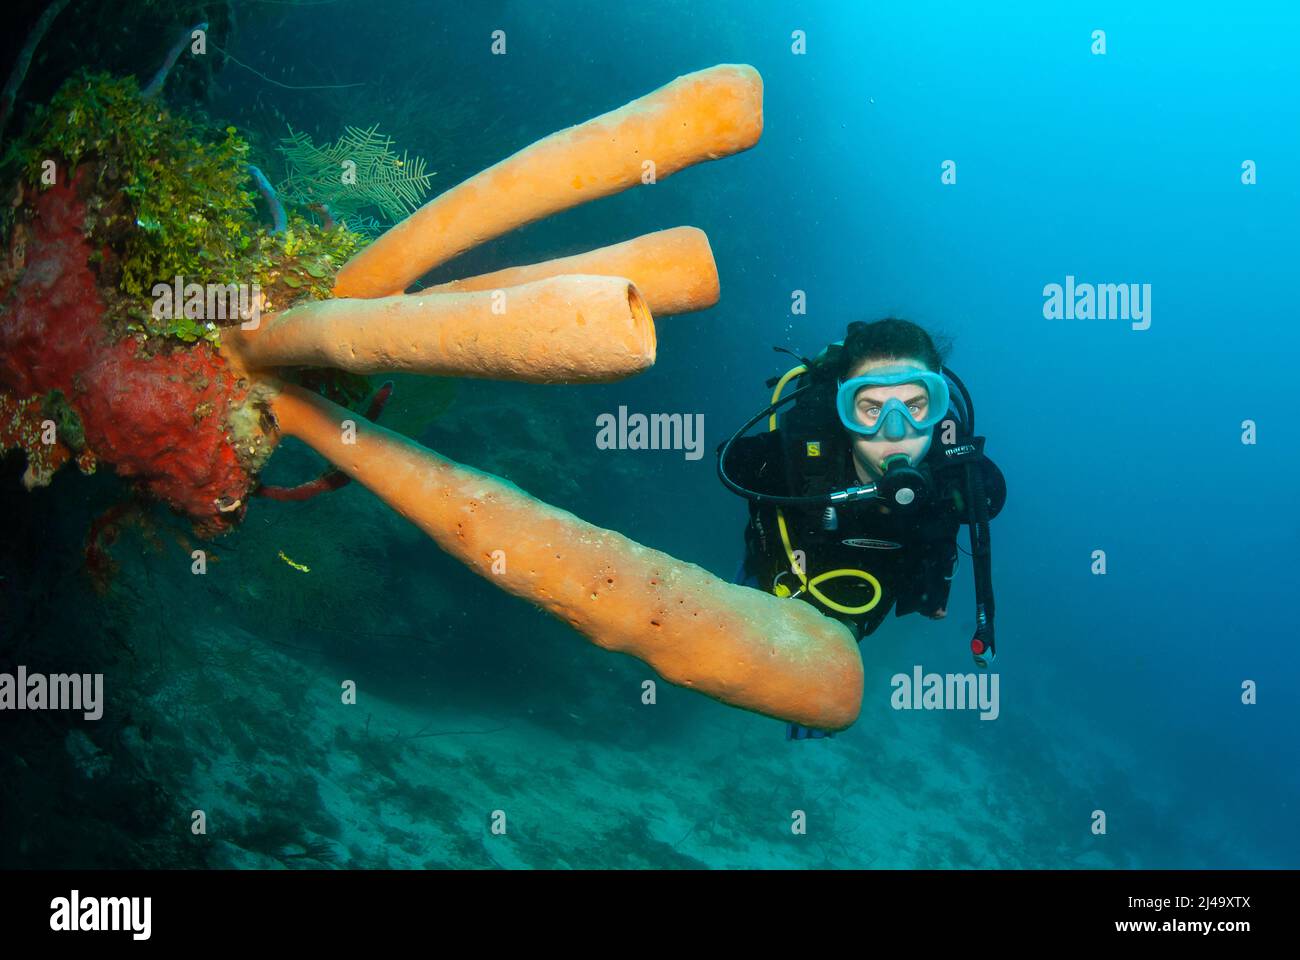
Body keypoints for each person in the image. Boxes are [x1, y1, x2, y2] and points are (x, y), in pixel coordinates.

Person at [717, 318, 1006, 739]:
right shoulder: (799, 456)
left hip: (869, 601)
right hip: (784, 580)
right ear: (843, 409)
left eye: (914, 405)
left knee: (818, 692)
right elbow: (730, 464)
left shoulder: (959, 481)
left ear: (937, 405)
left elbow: (985, 505)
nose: (895, 430)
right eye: (871, 408)